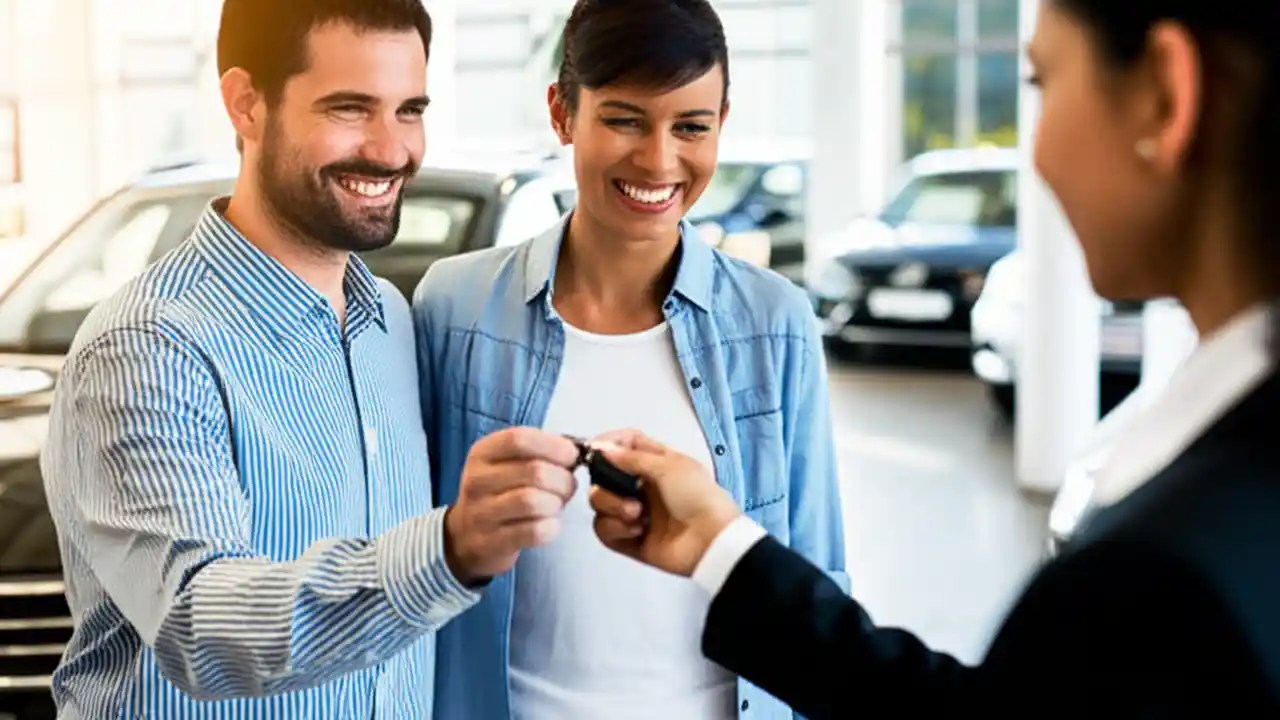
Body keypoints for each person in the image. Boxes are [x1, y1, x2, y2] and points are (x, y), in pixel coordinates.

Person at [591, 1, 1280, 717]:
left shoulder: (1165, 573)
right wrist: (719, 544)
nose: (1036, 153)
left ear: (1167, 96)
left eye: (1040, 81)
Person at [39, 1, 583, 717]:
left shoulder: (390, 319)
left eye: (409, 109)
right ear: (245, 104)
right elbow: (200, 627)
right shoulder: (150, 347)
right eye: (351, 108)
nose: (392, 151)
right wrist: (447, 550)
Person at [411, 0, 847, 717]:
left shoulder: (776, 322)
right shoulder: (454, 307)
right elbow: (413, 549)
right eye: (623, 119)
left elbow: (818, 574)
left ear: (721, 124)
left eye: (691, 127)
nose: (658, 159)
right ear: (561, 112)